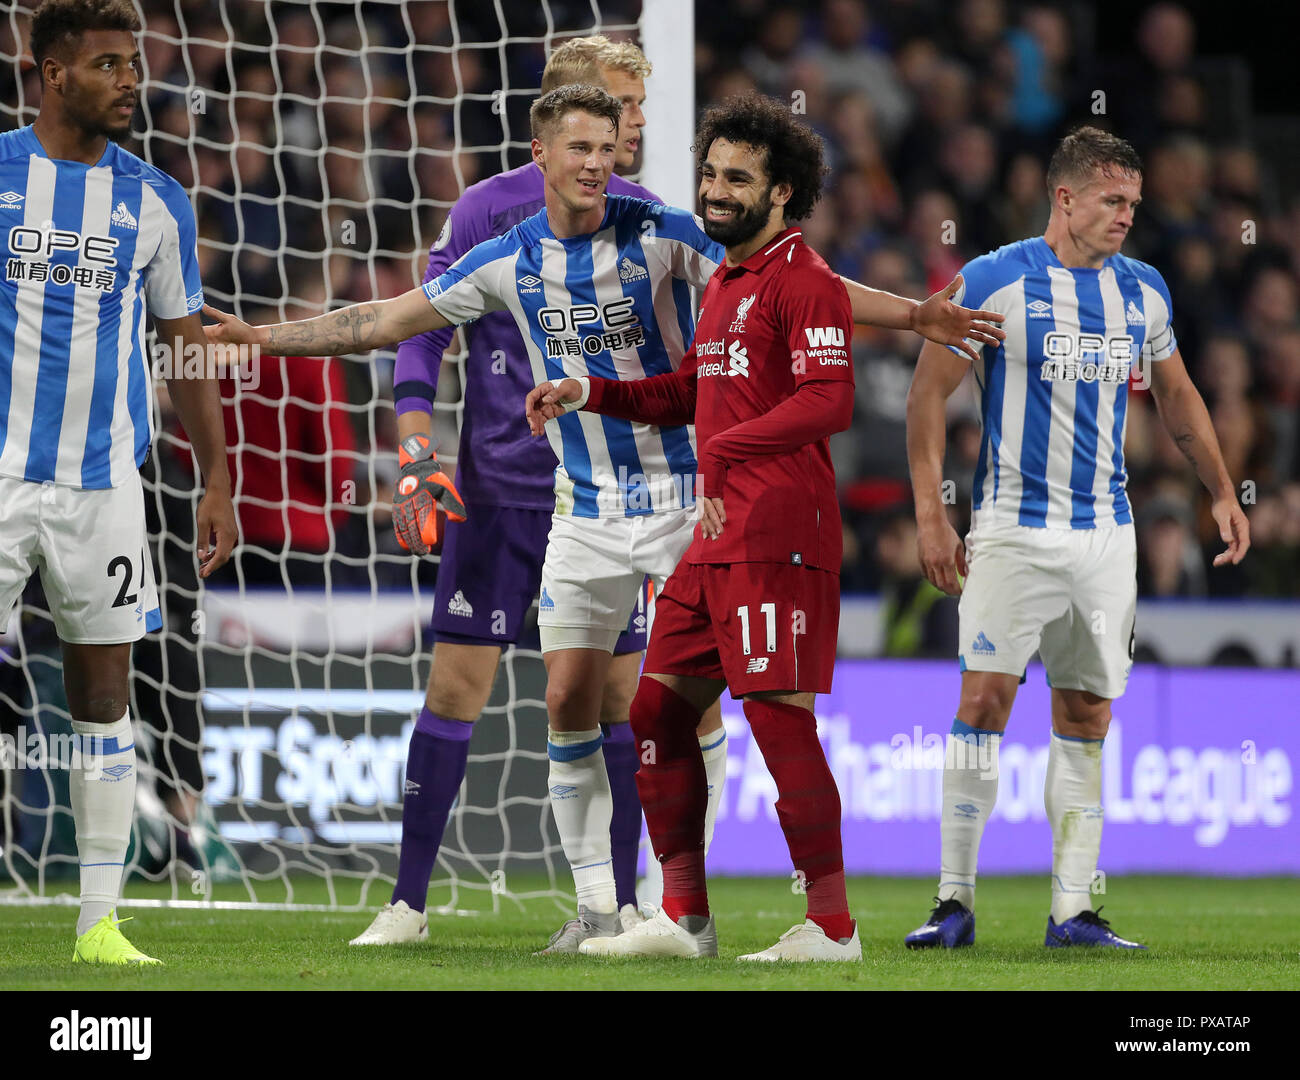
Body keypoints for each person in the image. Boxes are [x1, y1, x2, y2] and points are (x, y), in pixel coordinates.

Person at [205, 85, 1001, 954]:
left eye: (605, 146)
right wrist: (260, 336)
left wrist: (910, 312)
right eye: (576, 148)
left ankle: (687, 908)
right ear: (539, 156)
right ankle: (602, 911)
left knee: (696, 709)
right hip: (581, 508)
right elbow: (389, 319)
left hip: (686, 497)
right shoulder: (507, 255)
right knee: (568, 700)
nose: (595, 163)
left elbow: (801, 282)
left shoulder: (660, 231)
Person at [525, 92, 1004, 962]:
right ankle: (685, 921)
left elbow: (830, 401)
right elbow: (689, 394)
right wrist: (589, 390)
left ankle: (831, 926)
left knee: (778, 718)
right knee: (656, 713)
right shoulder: (726, 283)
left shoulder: (805, 282)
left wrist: (726, 448)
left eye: (736, 178)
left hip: (780, 528)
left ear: (780, 192)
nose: (714, 190)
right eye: (709, 173)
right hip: (714, 536)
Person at [356, 37, 727, 947]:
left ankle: (620, 908)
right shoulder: (489, 210)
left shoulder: (651, 218)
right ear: (572, 108)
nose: (634, 126)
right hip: (495, 489)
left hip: (619, 496)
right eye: (624, 104)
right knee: (454, 693)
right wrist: (416, 450)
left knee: (615, 704)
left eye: (636, 111)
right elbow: (418, 334)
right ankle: (408, 905)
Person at [903, 125, 1250, 950]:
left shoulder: (1144, 291)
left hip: (1105, 537)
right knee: (982, 702)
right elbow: (927, 395)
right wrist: (929, 512)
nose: (1127, 215)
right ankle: (952, 903)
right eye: (1111, 200)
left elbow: (1178, 396)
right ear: (1064, 198)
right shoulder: (995, 278)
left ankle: (1073, 912)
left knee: (1087, 713)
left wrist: (1221, 490)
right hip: (1012, 530)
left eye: (1133, 202)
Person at [0, 0, 236, 963]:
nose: (131, 80)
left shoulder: (157, 198)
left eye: (133, 64)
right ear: (53, 74)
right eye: (108, 65)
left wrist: (217, 477)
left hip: (106, 485)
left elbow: (183, 350)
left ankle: (97, 923)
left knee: (105, 692)